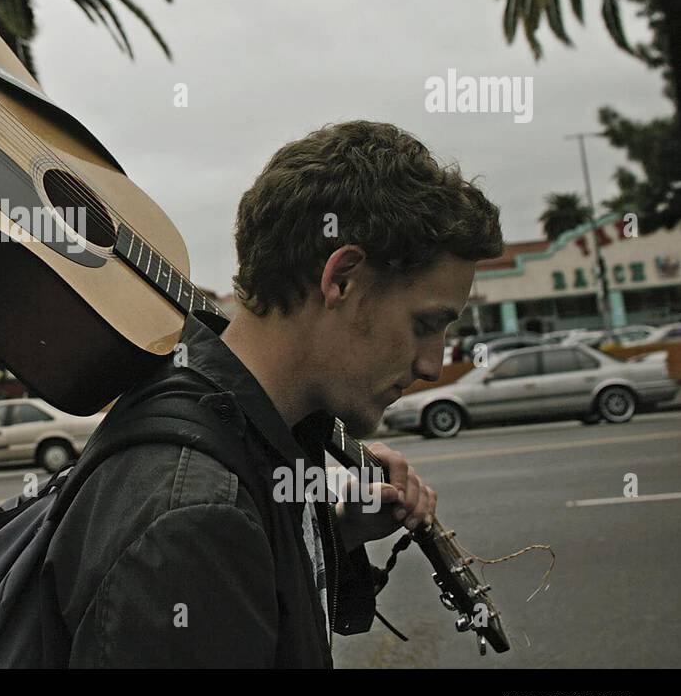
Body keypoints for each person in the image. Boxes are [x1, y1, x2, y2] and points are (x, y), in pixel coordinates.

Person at [42, 120, 505, 667]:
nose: (432, 364)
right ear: (342, 280)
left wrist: (341, 532)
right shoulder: (195, 517)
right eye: (427, 323)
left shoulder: (260, 437)